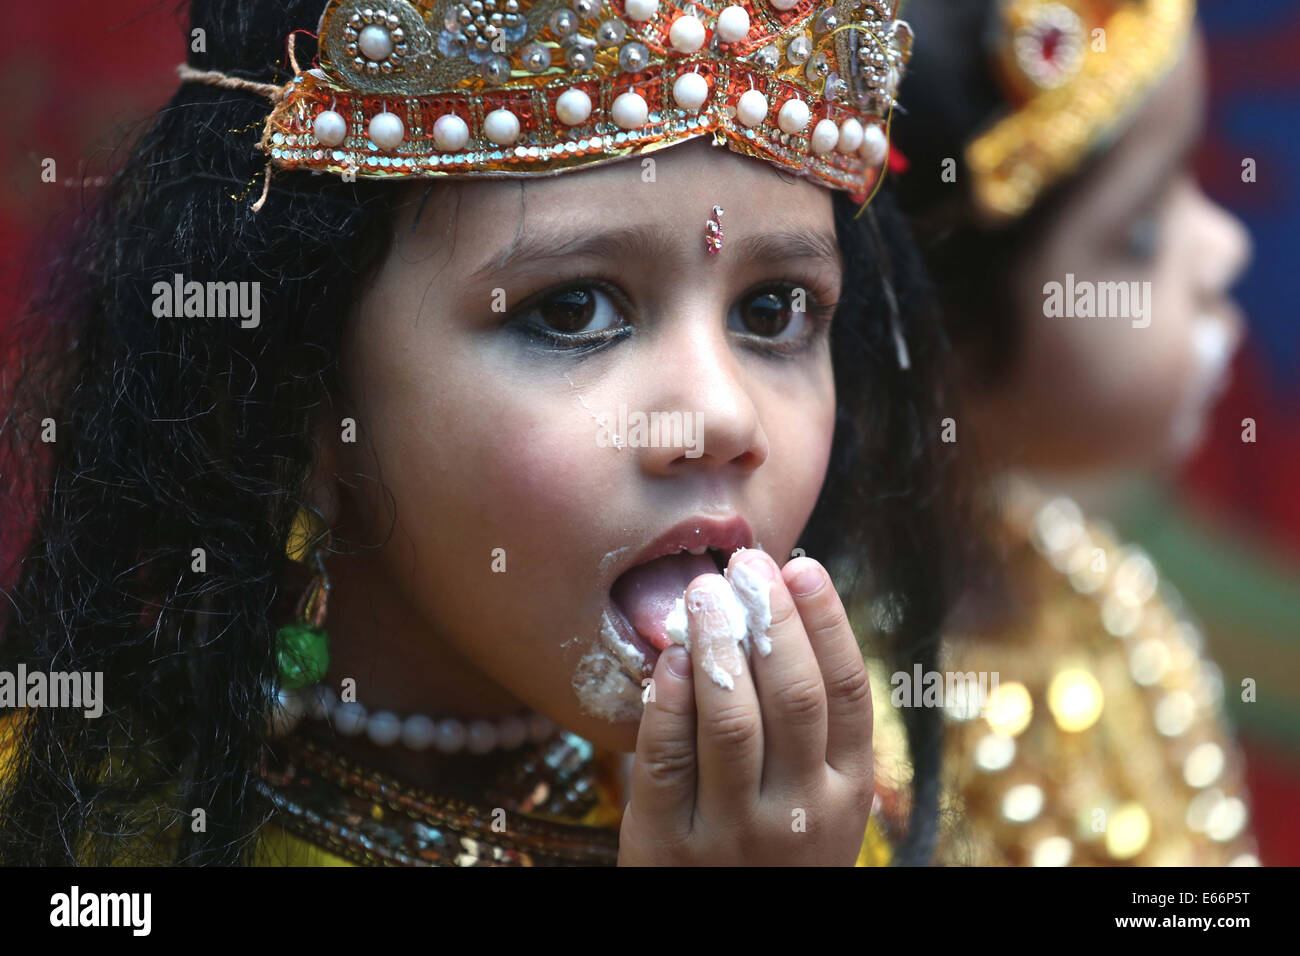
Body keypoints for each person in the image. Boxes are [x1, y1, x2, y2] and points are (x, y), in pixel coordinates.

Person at [0, 0, 964, 866]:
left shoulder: (813, 817)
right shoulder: (82, 832)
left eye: (774, 311)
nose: (722, 417)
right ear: (298, 400)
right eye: (574, 311)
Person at [871, 0, 1259, 865]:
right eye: (1143, 230)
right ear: (938, 326)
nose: (1224, 248)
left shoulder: (1096, 591)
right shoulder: (836, 733)